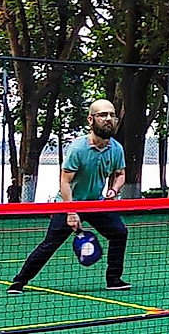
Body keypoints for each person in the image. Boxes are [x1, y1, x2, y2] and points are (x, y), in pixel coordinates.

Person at [8, 100, 131, 294]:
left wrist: (114, 190)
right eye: (102, 115)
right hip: (68, 203)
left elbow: (121, 174)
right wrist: (71, 211)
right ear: (90, 120)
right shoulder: (78, 149)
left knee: (119, 233)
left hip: (96, 204)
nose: (108, 119)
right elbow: (65, 182)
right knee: (50, 244)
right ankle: (19, 282)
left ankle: (114, 279)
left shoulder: (116, 149)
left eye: (111, 115)